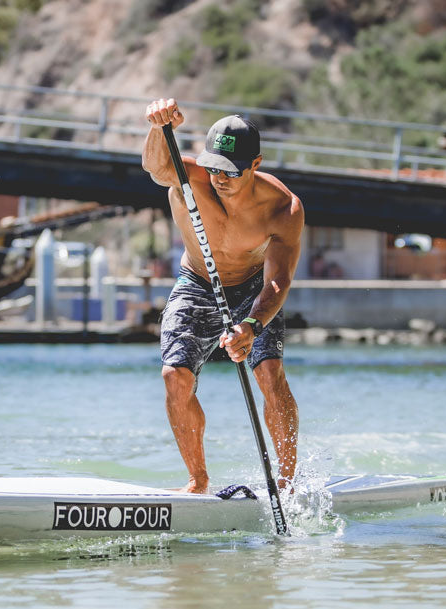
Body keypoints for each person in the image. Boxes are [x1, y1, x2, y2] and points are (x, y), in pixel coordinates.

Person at [142, 98, 305, 494]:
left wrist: (252, 325)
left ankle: (286, 484)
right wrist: (160, 126)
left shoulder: (283, 208)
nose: (219, 178)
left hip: (253, 289)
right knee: (174, 377)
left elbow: (279, 280)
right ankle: (198, 480)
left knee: (269, 373)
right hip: (196, 281)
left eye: (231, 171)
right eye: (214, 167)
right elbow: (155, 166)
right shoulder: (188, 178)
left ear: (256, 164)